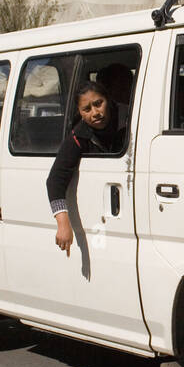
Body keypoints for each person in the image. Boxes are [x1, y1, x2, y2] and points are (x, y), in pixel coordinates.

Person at [47, 81, 126, 255]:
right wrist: (63, 223)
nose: (95, 113)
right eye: (87, 109)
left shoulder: (130, 118)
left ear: (108, 100)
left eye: (98, 104)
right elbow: (55, 180)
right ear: (80, 114)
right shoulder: (79, 135)